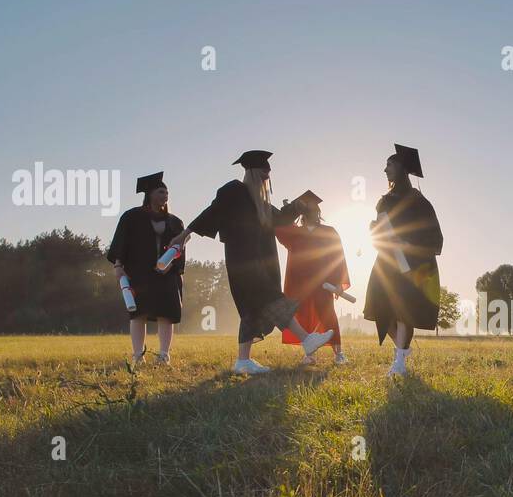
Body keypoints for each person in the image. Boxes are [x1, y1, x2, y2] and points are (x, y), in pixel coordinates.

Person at [172, 150, 334, 374]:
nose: (267, 181)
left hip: (260, 261)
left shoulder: (262, 203)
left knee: (252, 309)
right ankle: (306, 339)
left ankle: (243, 360)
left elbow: (281, 218)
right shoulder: (234, 191)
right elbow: (211, 212)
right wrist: (183, 236)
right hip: (243, 260)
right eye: (264, 175)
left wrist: (299, 205)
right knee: (270, 297)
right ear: (253, 172)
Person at [362, 144, 444, 377]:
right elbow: (377, 232)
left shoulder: (418, 200)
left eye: (389, 164)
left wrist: (410, 245)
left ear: (401, 168)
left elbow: (432, 233)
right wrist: (374, 228)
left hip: (412, 262)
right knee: (379, 308)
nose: (385, 169)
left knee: (404, 310)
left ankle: (399, 363)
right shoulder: (384, 201)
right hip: (387, 260)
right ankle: (403, 350)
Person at [107, 172, 186, 365]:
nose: (165, 195)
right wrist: (118, 265)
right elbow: (121, 243)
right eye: (161, 191)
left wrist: (174, 267)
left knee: (166, 313)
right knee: (138, 313)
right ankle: (137, 355)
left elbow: (180, 249)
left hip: (166, 273)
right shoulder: (132, 217)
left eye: (167, 192)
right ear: (150, 194)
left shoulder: (175, 221)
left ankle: (163, 355)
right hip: (139, 271)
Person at [275, 190, 349, 366]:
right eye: (310, 208)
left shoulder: (328, 232)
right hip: (299, 283)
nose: (314, 211)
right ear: (301, 212)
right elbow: (278, 228)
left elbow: (338, 256)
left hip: (323, 282)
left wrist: (338, 281)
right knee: (302, 316)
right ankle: (309, 354)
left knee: (328, 315)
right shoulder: (294, 232)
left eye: (316, 209)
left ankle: (339, 353)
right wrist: (288, 211)